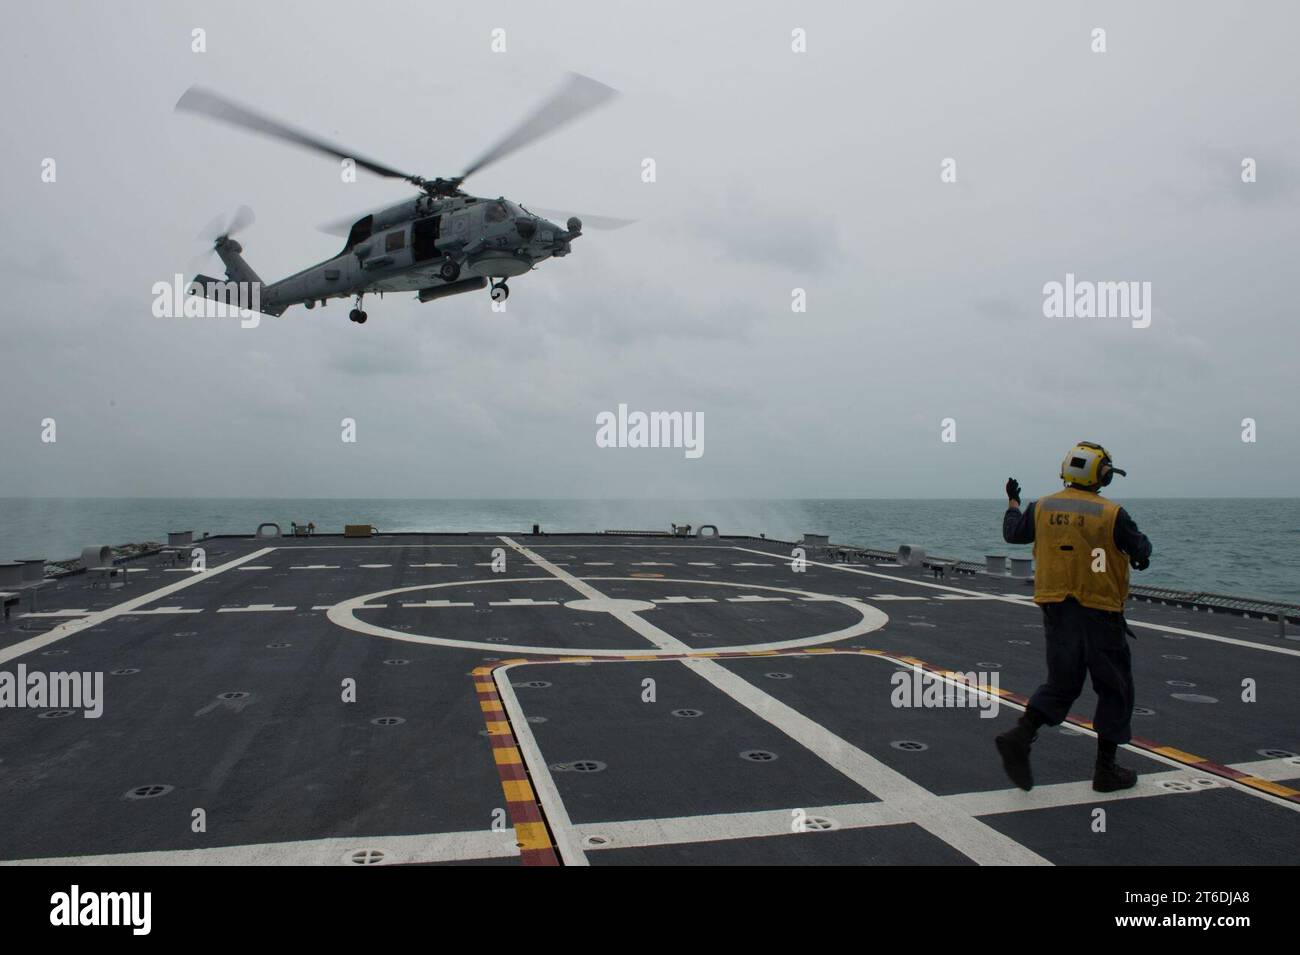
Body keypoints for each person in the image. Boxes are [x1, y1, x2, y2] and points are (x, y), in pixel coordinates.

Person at [996, 441, 1153, 793]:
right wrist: (1140, 558)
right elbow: (1142, 548)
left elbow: (1011, 534)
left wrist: (1013, 501)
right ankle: (1105, 769)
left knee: (1062, 683)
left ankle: (1021, 734)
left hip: (1056, 610)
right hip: (1101, 613)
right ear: (1103, 476)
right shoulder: (1112, 514)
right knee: (1114, 688)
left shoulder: (1043, 508)